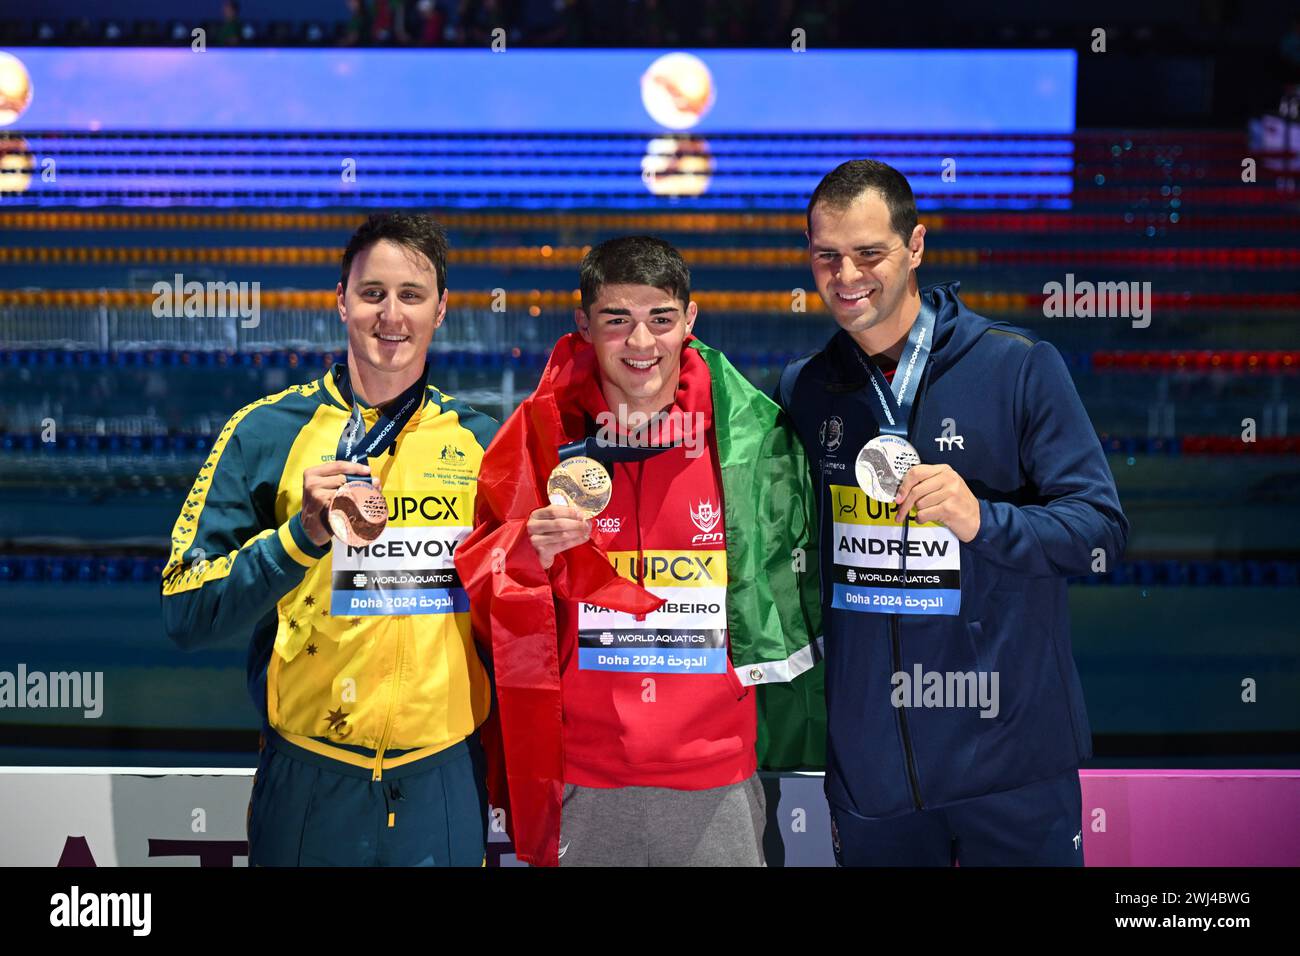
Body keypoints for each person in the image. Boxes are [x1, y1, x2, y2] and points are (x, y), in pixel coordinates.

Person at [777, 160, 1128, 866]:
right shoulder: (806, 389)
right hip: (873, 776)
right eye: (827, 255)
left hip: (1011, 761)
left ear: (916, 246)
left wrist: (982, 520)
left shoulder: (1018, 367)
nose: (846, 276)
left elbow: (1100, 530)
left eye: (869, 252)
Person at [455, 235, 824, 867]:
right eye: (617, 321)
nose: (641, 343)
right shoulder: (540, 440)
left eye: (660, 319)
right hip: (584, 776)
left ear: (690, 322)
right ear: (584, 325)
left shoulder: (748, 442)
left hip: (717, 779)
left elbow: (798, 584)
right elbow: (482, 588)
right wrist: (529, 554)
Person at [161, 212, 498, 866]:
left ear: (441, 310)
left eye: (411, 295)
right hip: (310, 781)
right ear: (341, 301)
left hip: (442, 780)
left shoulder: (483, 441)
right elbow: (185, 607)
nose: (390, 315)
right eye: (372, 293)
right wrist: (299, 536)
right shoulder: (264, 433)